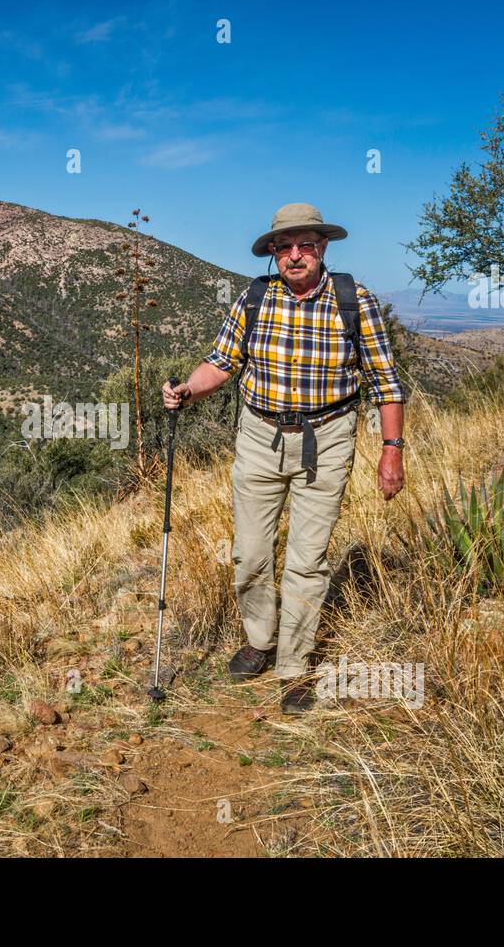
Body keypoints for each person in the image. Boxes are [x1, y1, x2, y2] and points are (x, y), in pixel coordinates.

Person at [162, 203, 407, 714]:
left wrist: (391, 451)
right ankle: (260, 639)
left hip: (329, 437)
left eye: (305, 245)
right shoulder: (255, 298)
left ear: (323, 249)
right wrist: (189, 389)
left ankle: (294, 667)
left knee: (307, 559)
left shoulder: (353, 301)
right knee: (250, 553)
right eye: (284, 246)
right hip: (259, 435)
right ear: (273, 252)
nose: (295, 255)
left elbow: (386, 382)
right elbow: (222, 362)